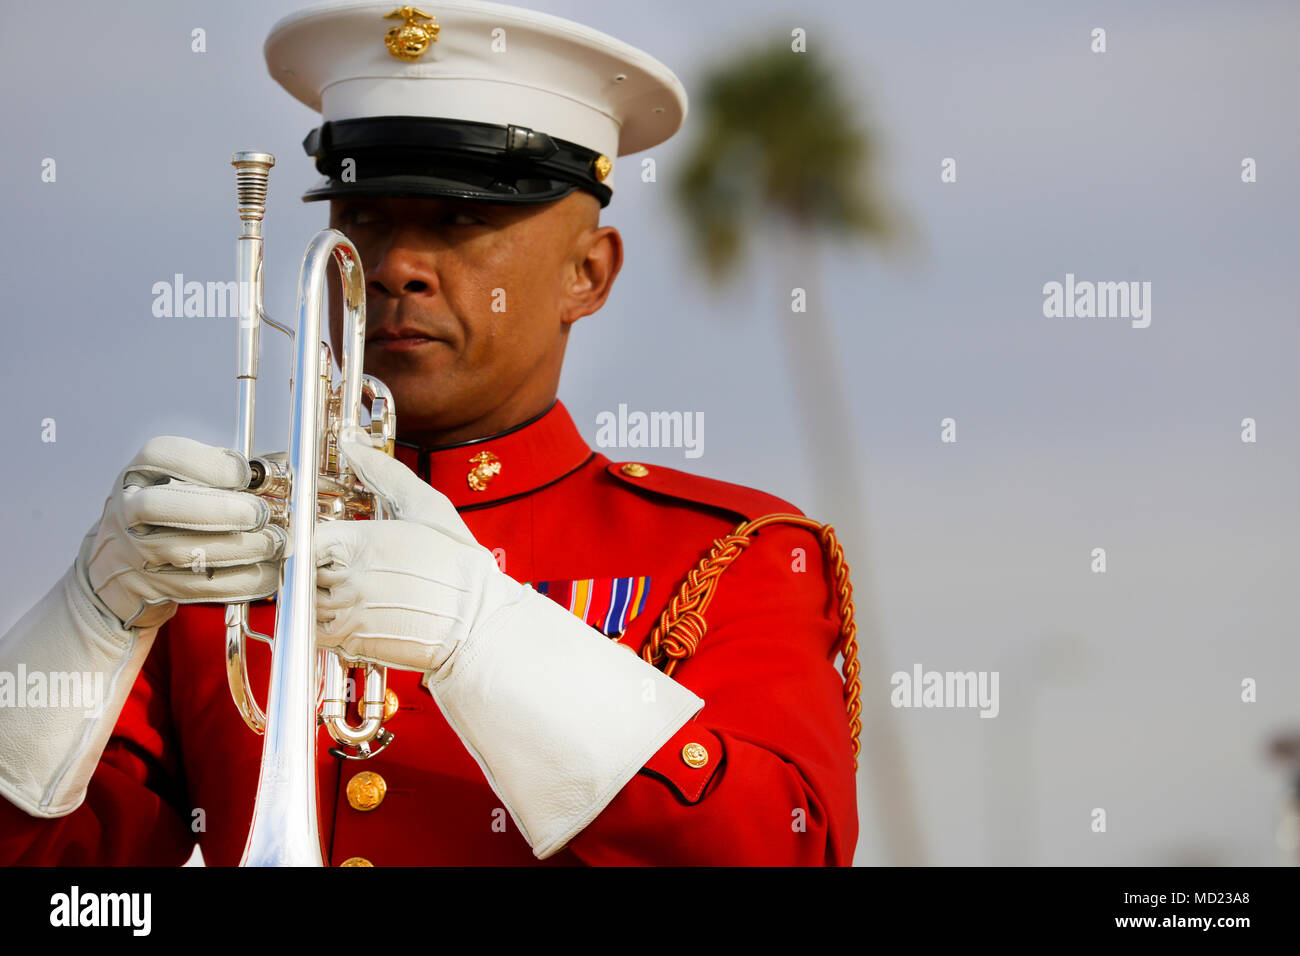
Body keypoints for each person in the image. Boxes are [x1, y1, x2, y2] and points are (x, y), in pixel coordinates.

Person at [0, 0, 860, 865]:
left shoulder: (732, 557)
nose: (396, 266)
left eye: (461, 220)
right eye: (364, 217)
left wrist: (487, 638)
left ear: (588, 272)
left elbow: (783, 847)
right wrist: (86, 617)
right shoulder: (222, 558)